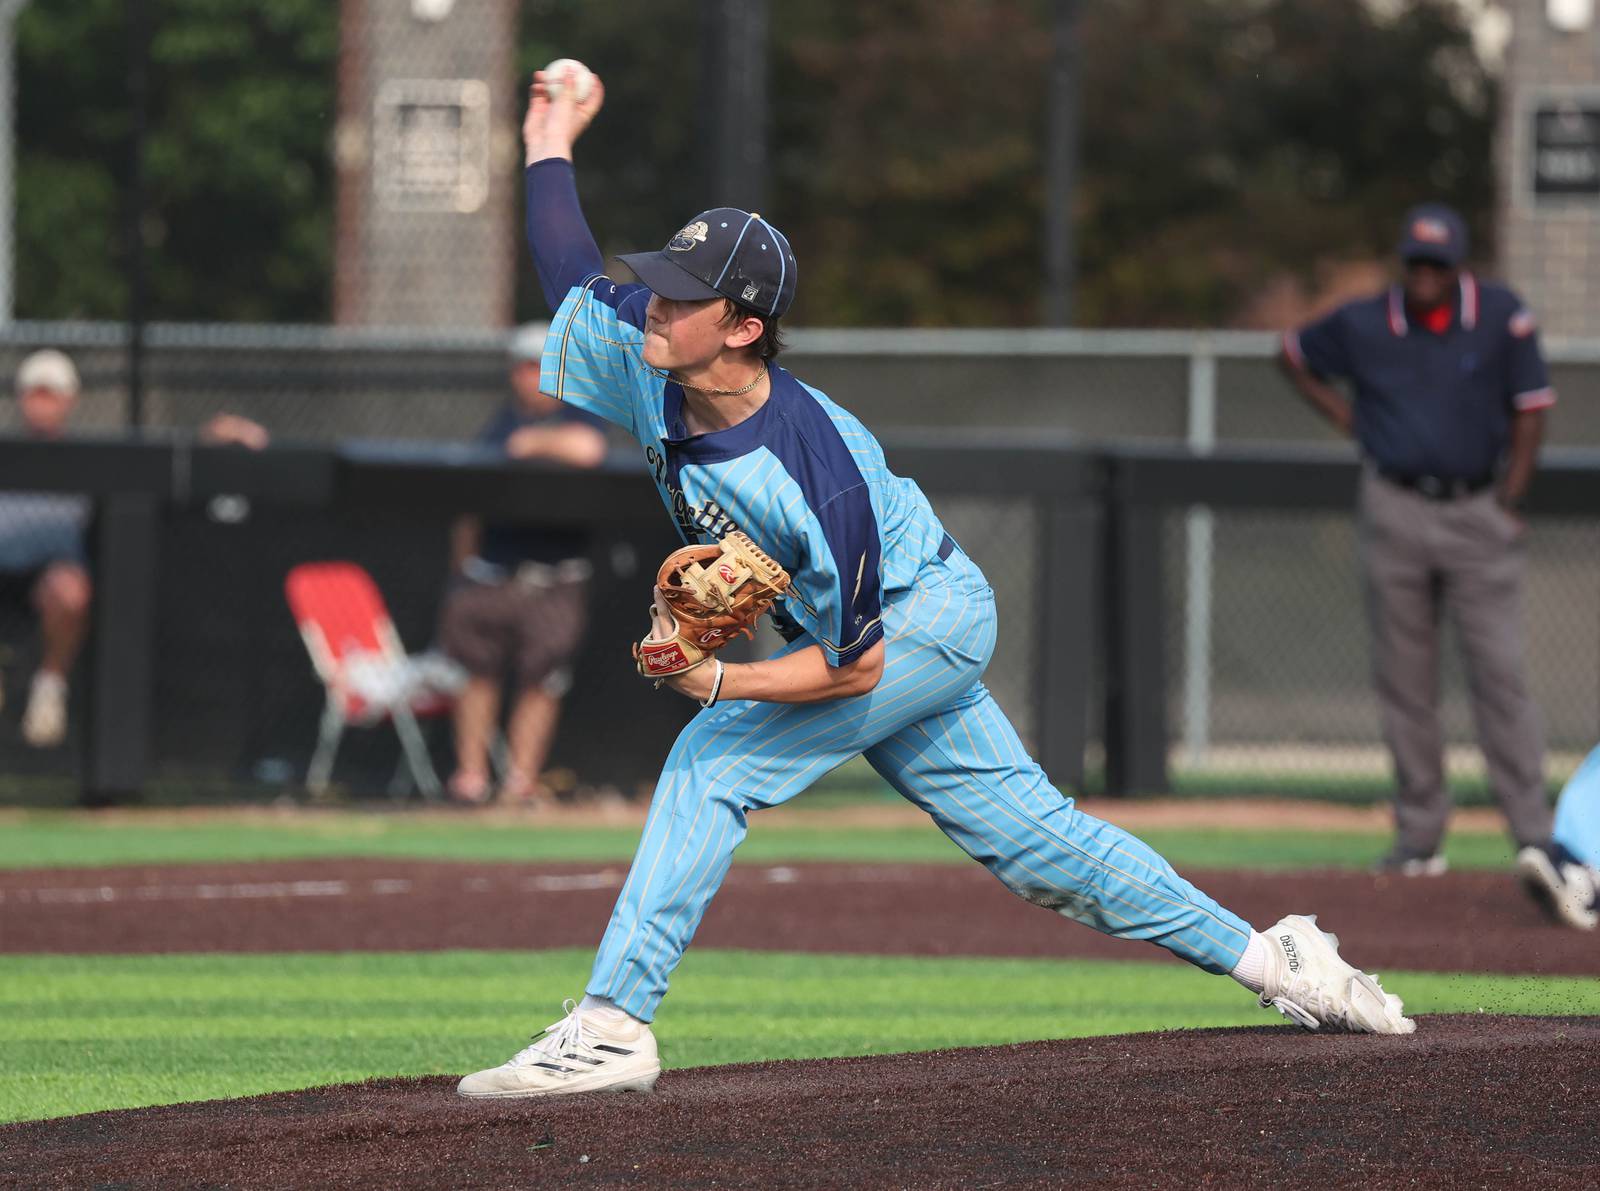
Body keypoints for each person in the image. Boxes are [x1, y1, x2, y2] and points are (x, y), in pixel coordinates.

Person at [455, 68, 1414, 1101]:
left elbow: (856, 663)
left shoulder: (810, 468)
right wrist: (547, 138)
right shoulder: (650, 357)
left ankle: (612, 1024)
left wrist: (723, 686)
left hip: (921, 623)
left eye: (682, 295)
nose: (652, 301)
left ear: (740, 326)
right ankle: (1282, 961)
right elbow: (566, 273)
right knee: (1037, 848)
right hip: (860, 631)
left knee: (712, 761)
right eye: (659, 281)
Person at [1279, 203, 1593, 928]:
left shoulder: (1501, 314)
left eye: (1438, 266)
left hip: (1478, 507)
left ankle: (1535, 837)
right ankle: (1420, 834)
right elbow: (1291, 354)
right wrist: (1347, 418)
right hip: (1396, 505)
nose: (1425, 277)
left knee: (1500, 676)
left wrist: (1512, 497)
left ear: (1459, 266)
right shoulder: (1365, 321)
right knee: (1405, 679)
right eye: (1416, 264)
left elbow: (1532, 408)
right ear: (1403, 262)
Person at [437, 328, 608, 806]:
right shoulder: (497, 424)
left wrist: (530, 442)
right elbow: (467, 501)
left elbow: (588, 450)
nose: (527, 376)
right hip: (492, 572)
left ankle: (520, 781)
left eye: (538, 366)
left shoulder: (580, 415)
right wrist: (463, 568)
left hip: (554, 575)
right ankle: (471, 778)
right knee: (476, 672)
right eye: (522, 366)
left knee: (542, 677)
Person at [0, 350, 93, 747]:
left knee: (70, 589)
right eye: (34, 393)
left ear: (68, 400)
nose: (41, 403)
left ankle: (50, 687)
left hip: (46, 577)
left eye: (50, 394)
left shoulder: (88, 459)